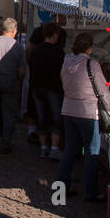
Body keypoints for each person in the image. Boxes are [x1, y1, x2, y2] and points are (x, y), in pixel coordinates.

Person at [56, 32, 110, 203]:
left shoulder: (66, 62)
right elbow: (103, 92)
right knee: (92, 151)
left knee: (69, 151)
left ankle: (60, 191)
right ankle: (90, 192)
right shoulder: (92, 64)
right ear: (90, 48)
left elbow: (63, 83)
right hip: (87, 112)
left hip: (68, 110)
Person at [0, 18, 27, 154]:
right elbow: (22, 70)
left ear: (1, 29)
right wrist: (18, 81)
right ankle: (6, 142)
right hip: (10, 80)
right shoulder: (18, 46)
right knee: (8, 112)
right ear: (14, 30)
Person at [30, 21, 66, 159]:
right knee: (56, 118)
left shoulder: (36, 50)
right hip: (53, 88)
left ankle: (43, 147)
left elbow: (32, 65)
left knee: (42, 117)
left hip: (37, 87)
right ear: (55, 35)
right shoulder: (59, 53)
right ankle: (55, 148)